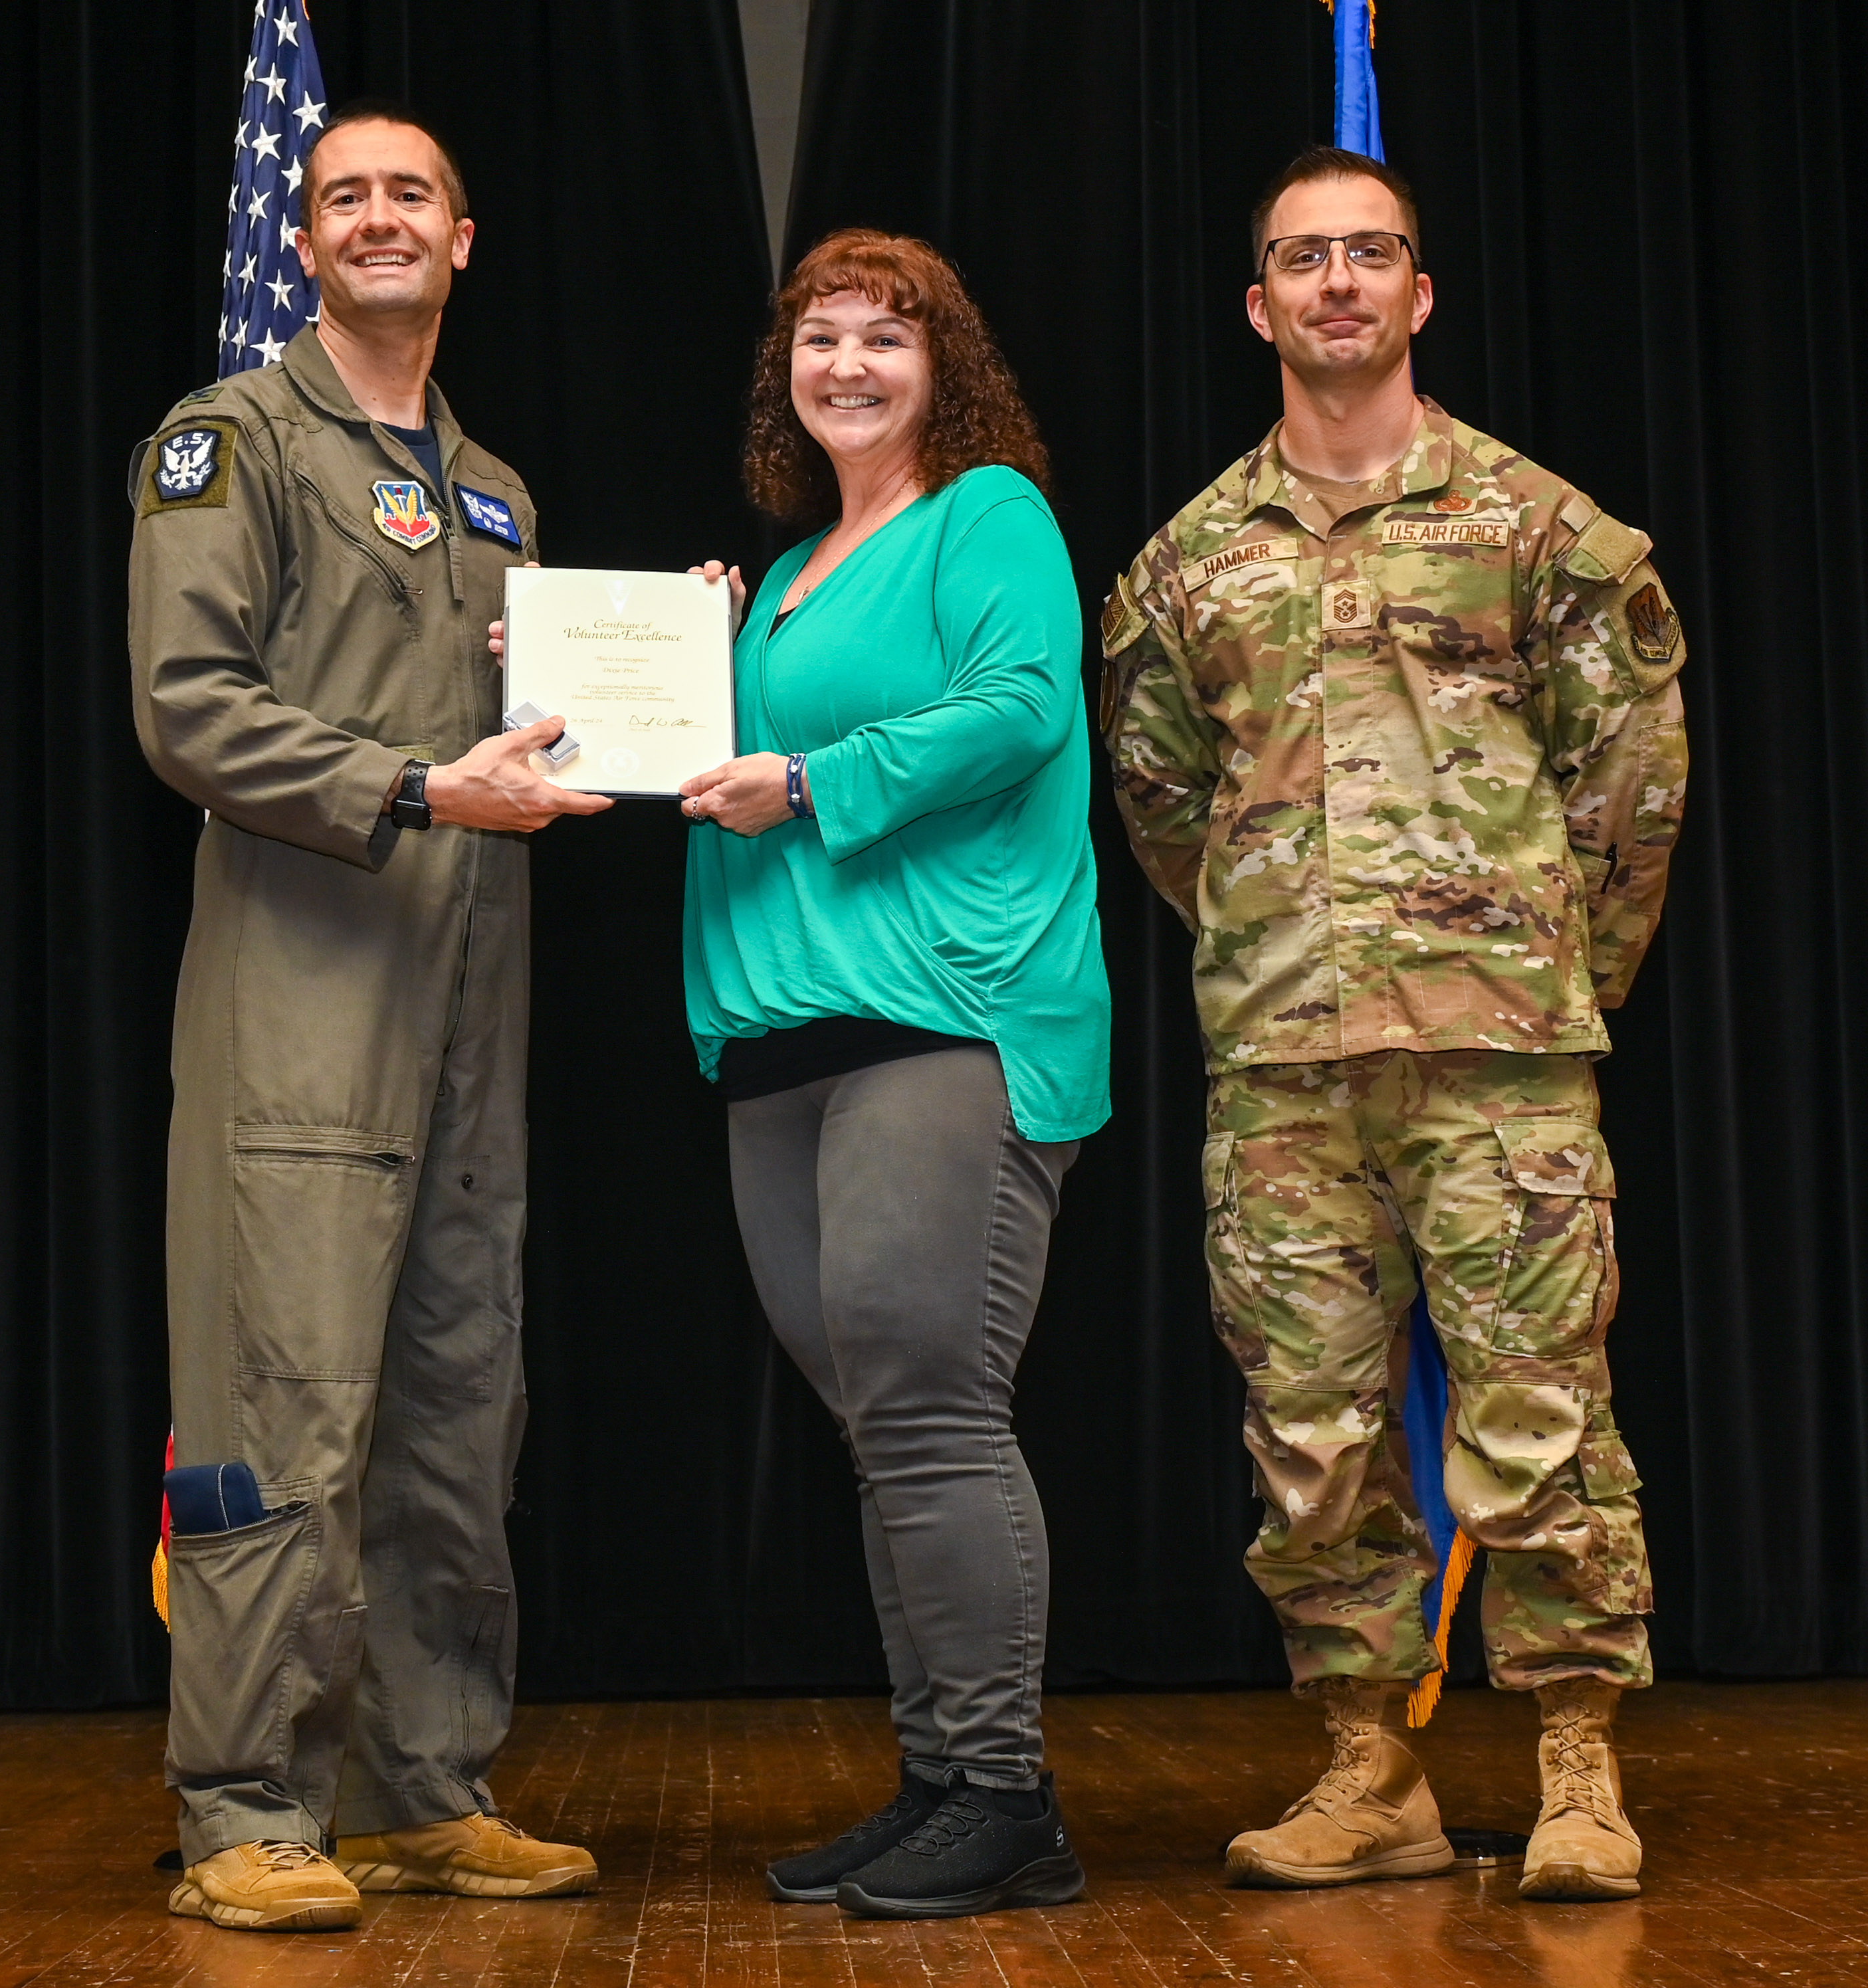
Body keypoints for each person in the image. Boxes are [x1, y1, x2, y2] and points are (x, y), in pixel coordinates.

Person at [1100, 148, 1688, 1904]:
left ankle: (1577, 1762)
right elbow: (1161, 805)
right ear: (1260, 305)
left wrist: (1539, 968)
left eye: (1371, 255)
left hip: (1501, 1053)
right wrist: (1294, 949)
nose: (1338, 283)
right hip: (1284, 1065)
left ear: (1419, 294)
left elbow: (1632, 785)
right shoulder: (1186, 570)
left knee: (1538, 1410)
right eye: (1303, 259)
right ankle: (1372, 1768)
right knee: (1310, 1430)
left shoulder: (1540, 532)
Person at [126, 102, 605, 1934]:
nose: (380, 219)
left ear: (461, 242)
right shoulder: (228, 445)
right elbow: (188, 705)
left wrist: (661, 664)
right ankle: (247, 1802)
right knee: (285, 1404)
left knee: (454, 1404)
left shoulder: (496, 495)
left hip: (471, 1011)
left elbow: (546, 730)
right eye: (346, 200)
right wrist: (415, 789)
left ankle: (422, 1789)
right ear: (304, 243)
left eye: (413, 195)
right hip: (302, 1002)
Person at [678, 230, 1110, 1920]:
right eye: (815, 338)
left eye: (884, 338)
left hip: (948, 1020)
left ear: (947, 370)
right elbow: (709, 760)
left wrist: (805, 770)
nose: (844, 364)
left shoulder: (986, 515)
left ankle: (1006, 1795)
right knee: (884, 1425)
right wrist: (660, 661)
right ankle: (939, 1774)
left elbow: (1015, 706)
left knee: (929, 1410)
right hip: (786, 1038)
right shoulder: (786, 572)